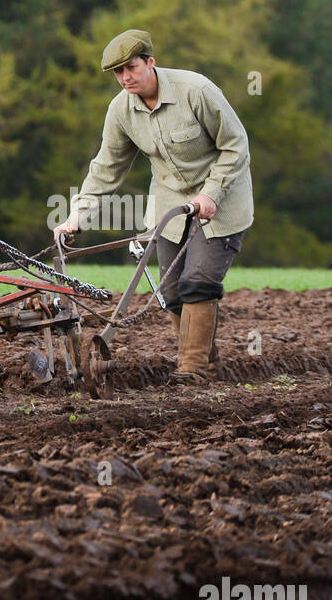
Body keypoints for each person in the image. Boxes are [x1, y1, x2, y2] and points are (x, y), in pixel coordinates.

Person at [53, 29, 253, 383]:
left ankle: (191, 370)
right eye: (118, 72)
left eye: (131, 67)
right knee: (172, 291)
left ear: (150, 62)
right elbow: (106, 169)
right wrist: (76, 218)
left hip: (221, 203)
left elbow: (236, 146)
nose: (126, 78)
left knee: (199, 282)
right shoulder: (120, 110)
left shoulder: (197, 91)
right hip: (169, 209)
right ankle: (207, 364)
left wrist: (210, 195)